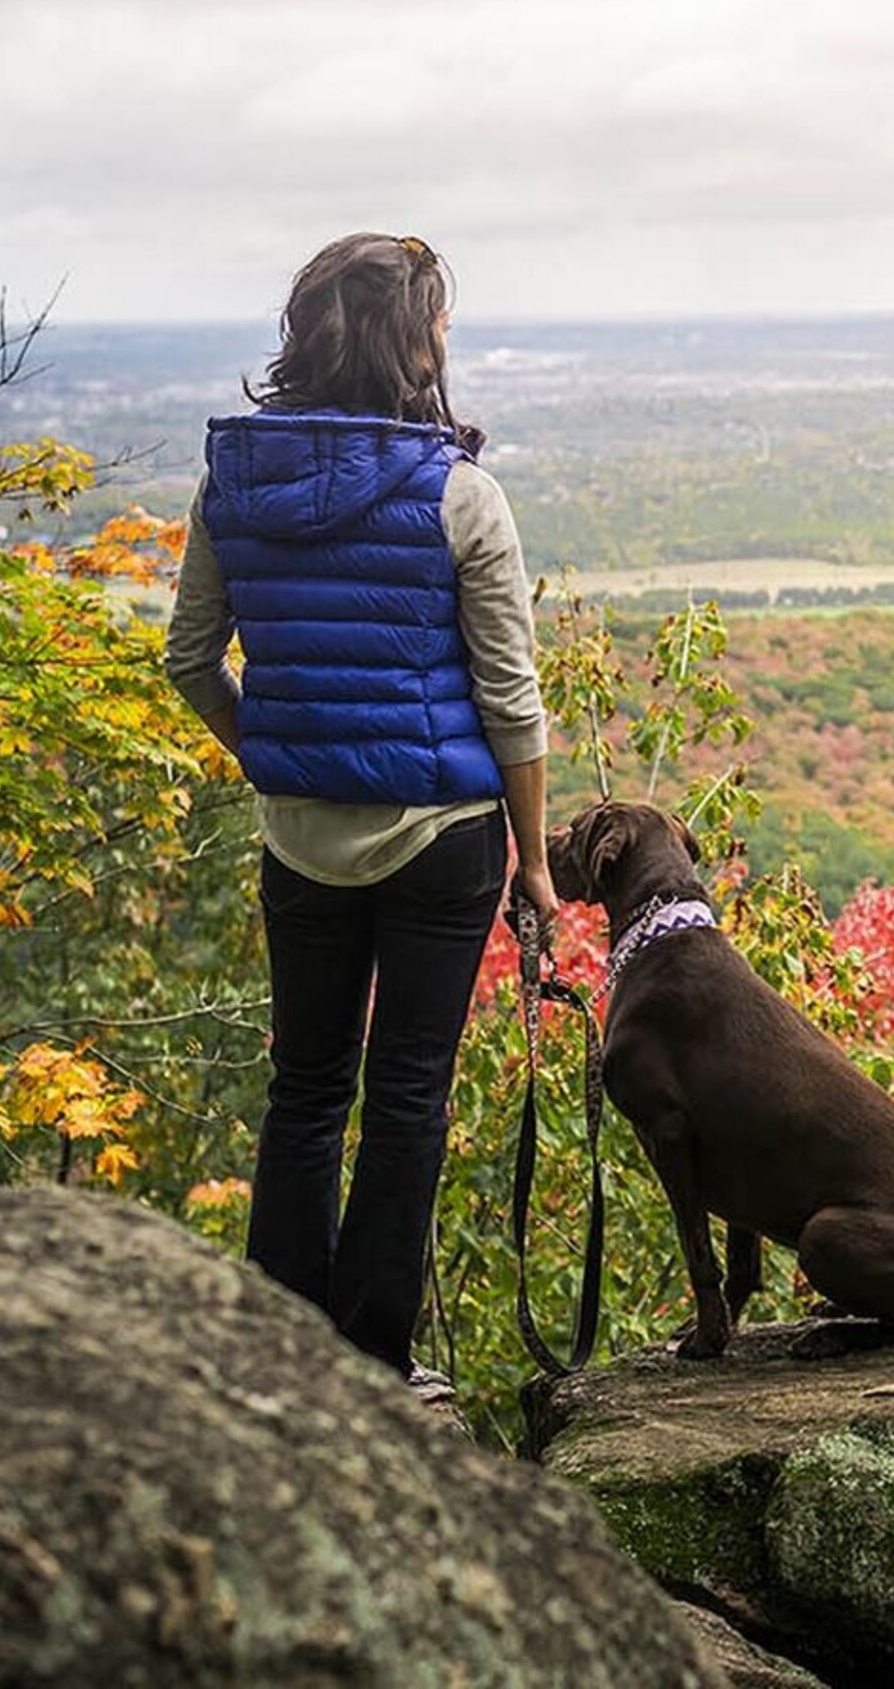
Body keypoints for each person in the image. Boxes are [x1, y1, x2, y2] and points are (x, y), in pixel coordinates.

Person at [163, 232, 560, 1401]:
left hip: (300, 837)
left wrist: (275, 756)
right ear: (409, 343)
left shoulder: (229, 484)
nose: (447, 340)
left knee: (305, 1088)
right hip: (443, 839)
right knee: (405, 1096)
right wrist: (535, 864)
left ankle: (281, 1360)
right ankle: (372, 1366)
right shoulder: (460, 494)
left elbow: (190, 657)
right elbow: (512, 700)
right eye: (438, 322)